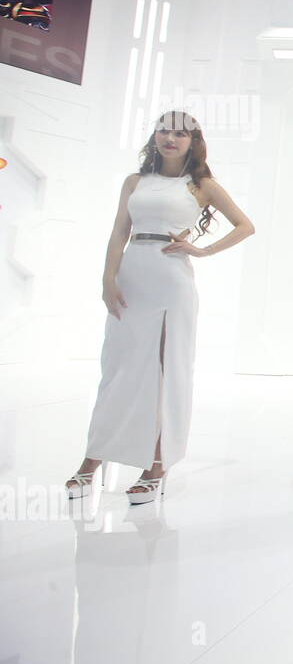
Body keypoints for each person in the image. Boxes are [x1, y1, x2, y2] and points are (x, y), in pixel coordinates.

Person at [66, 111, 255, 503]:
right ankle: (94, 458)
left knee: (167, 371)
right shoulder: (135, 181)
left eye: (181, 133)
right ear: (155, 137)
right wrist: (108, 279)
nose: (171, 138)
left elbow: (245, 225)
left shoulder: (202, 185)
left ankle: (157, 463)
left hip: (172, 281)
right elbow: (120, 230)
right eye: (164, 130)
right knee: (117, 369)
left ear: (193, 141)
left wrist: (202, 250)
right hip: (132, 275)